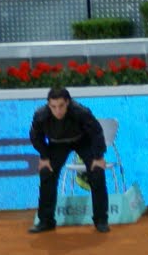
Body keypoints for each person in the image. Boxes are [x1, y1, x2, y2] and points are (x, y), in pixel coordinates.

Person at [29, 86, 111, 235]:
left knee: (97, 172)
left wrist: (98, 157)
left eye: (61, 106)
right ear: (48, 105)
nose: (58, 110)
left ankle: (101, 220)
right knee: (46, 173)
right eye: (53, 106)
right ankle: (46, 221)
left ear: (68, 102)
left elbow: (96, 132)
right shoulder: (40, 116)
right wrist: (44, 157)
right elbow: (36, 137)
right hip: (57, 144)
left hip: (82, 140)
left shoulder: (81, 112)